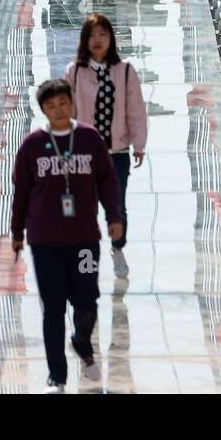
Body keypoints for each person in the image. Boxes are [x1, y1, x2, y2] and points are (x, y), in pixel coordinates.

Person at [11, 78, 122, 393]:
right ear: (43, 110)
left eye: (62, 103)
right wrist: (17, 232)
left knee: (87, 299)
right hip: (45, 243)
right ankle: (56, 376)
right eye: (51, 106)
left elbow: (108, 180)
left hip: (84, 239)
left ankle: (83, 345)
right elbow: (21, 193)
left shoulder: (89, 139)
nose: (58, 110)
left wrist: (114, 217)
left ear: (71, 103)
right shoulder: (32, 146)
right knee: (54, 308)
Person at [65, 14, 147, 278]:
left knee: (116, 206)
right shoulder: (74, 72)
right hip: (84, 153)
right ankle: (86, 257)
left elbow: (135, 110)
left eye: (102, 34)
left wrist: (139, 144)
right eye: (92, 35)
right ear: (84, 40)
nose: (97, 40)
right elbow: (67, 112)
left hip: (117, 153)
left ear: (111, 38)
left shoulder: (125, 71)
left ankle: (118, 248)